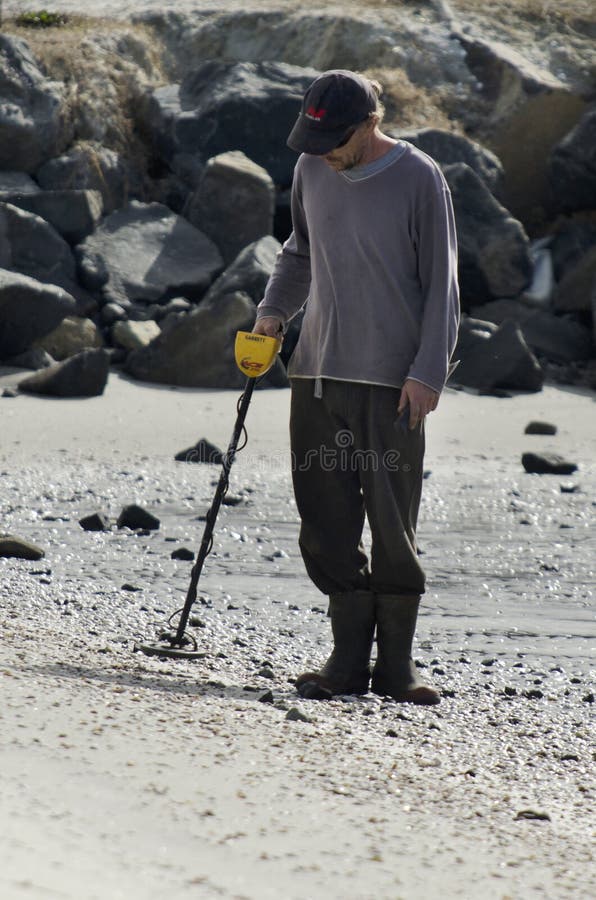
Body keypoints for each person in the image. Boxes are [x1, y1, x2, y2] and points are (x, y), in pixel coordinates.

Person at [253, 70, 460, 705]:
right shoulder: (313, 166)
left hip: (392, 384)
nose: (321, 152)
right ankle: (346, 662)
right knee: (324, 521)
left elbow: (443, 286)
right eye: (312, 138)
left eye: (333, 139)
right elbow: (300, 252)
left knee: (393, 527)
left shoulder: (420, 177)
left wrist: (428, 372)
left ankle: (395, 669)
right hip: (315, 373)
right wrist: (271, 314)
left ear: (370, 124)